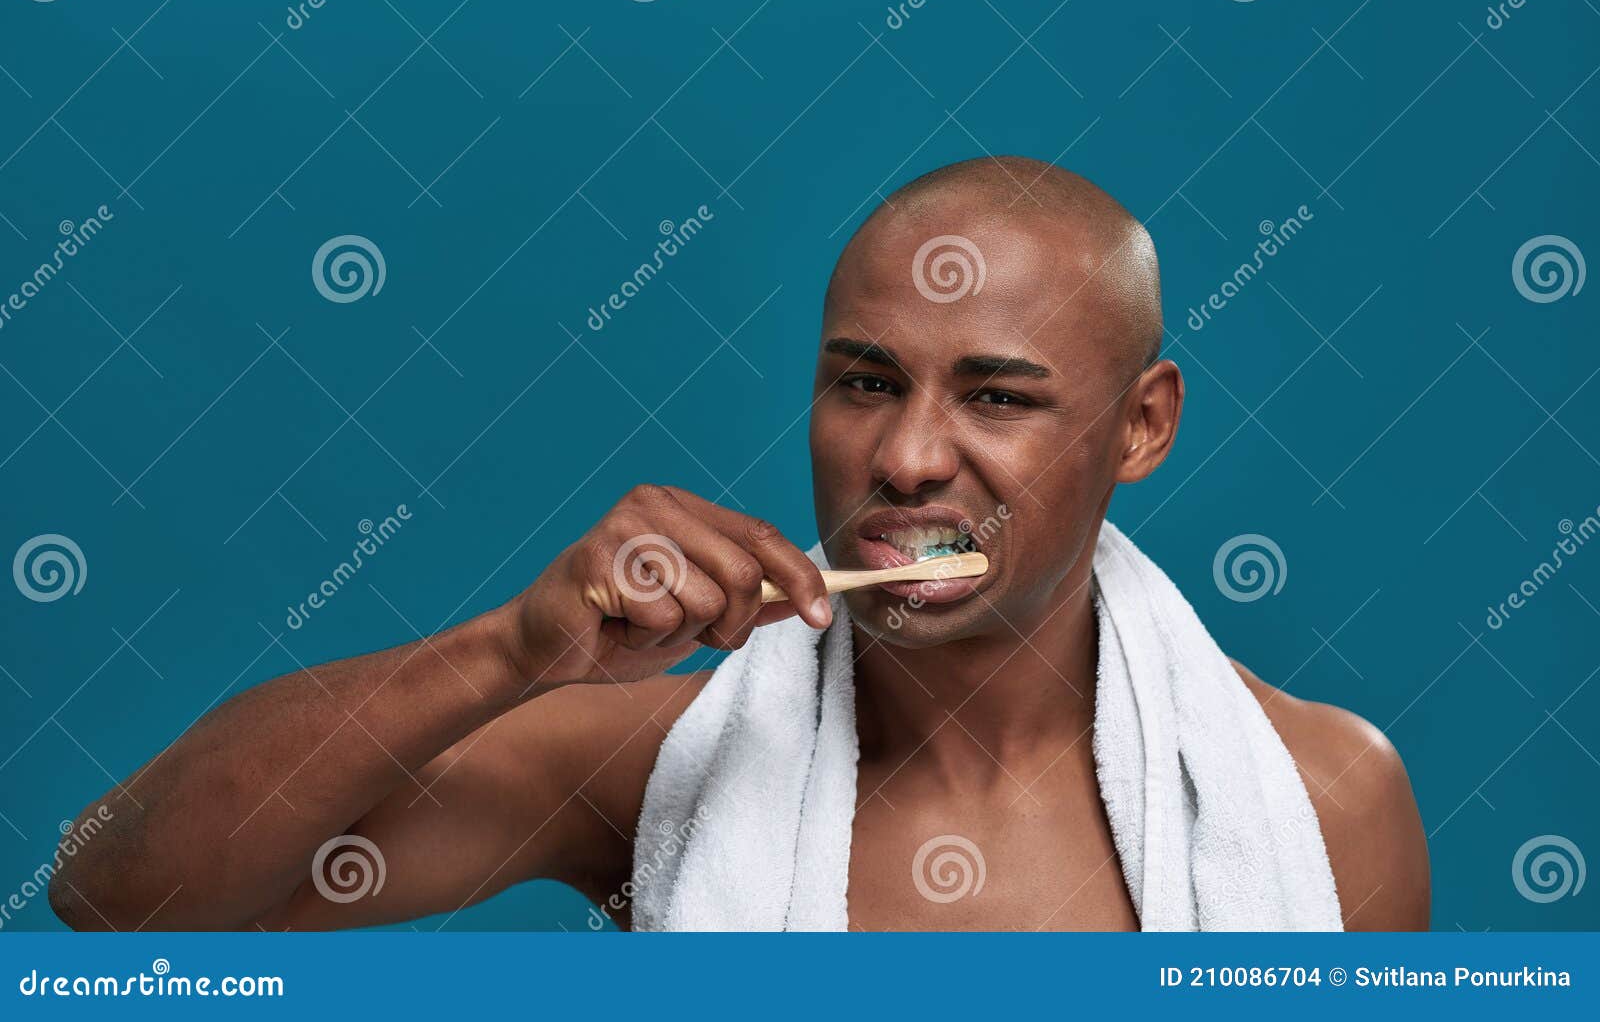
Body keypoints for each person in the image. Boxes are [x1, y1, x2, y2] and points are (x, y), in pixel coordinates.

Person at [49, 157, 1429, 931]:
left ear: (1142, 426)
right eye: (865, 380)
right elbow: (116, 896)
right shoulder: (656, 763)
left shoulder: (1319, 797)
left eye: (998, 395)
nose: (905, 456)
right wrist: (507, 652)